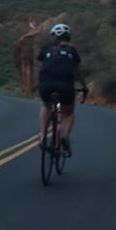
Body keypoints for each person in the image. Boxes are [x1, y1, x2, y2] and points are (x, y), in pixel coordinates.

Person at [37, 23, 87, 156]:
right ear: (68, 37)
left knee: (46, 106)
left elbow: (43, 66)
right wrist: (84, 86)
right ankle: (65, 137)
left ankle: (42, 136)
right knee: (68, 113)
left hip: (46, 84)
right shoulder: (72, 51)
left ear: (54, 37)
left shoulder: (46, 49)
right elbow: (76, 73)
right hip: (65, 86)